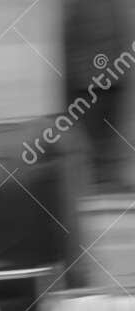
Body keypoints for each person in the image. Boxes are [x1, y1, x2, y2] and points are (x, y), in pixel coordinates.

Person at [66, 0, 132, 192]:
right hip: (91, 81)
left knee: (105, 142)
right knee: (98, 143)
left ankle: (106, 178)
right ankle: (103, 179)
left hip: (105, 79)